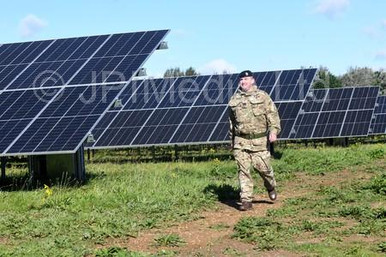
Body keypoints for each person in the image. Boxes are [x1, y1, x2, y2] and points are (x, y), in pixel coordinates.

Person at [228, 70, 281, 211]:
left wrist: (274, 131)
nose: (243, 82)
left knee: (264, 169)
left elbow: (273, 115)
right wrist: (232, 142)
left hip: (259, 142)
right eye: (241, 80)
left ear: (253, 80)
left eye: (246, 79)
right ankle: (246, 200)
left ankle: (270, 186)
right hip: (241, 142)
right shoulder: (234, 100)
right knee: (243, 171)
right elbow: (232, 124)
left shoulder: (263, 97)